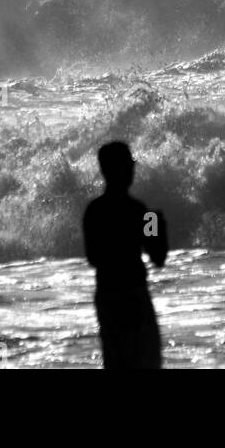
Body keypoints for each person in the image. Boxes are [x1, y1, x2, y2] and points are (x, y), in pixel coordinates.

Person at [82, 141, 168, 369]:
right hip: (134, 295)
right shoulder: (142, 212)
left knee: (116, 361)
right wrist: (159, 226)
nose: (132, 169)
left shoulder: (94, 211)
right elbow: (158, 256)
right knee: (146, 360)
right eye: (128, 164)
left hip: (107, 295)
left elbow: (93, 258)